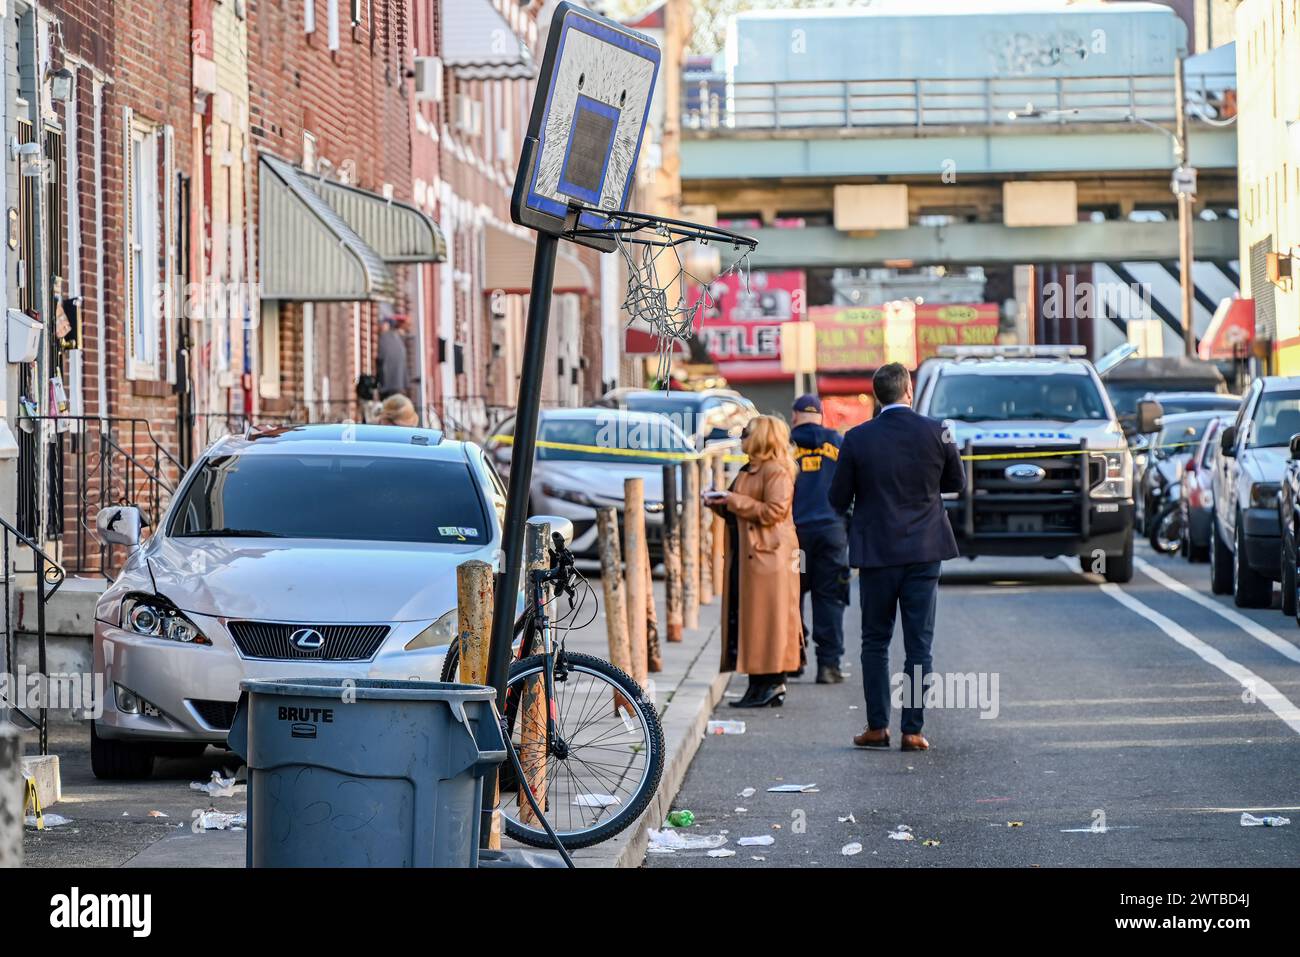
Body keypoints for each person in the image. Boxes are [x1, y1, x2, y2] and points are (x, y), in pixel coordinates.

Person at [828, 363, 965, 751]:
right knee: (919, 643)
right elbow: (956, 483)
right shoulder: (937, 430)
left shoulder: (856, 438)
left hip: (877, 553)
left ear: (877, 396)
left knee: (874, 641)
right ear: (908, 391)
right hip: (925, 551)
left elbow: (837, 499)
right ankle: (913, 730)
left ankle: (876, 726)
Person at [707, 415, 803, 709]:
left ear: (761, 438)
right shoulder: (751, 469)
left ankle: (771, 683)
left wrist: (731, 501)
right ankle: (759, 684)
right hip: (750, 556)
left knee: (768, 622)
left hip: (769, 558)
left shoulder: (776, 471)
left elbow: (774, 511)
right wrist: (720, 503)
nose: (742, 438)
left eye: (747, 433)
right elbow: (742, 508)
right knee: (751, 620)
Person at [790, 394, 849, 685]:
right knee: (830, 597)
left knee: (793, 595)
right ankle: (829, 665)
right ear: (821, 416)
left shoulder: (785, 444)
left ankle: (793, 658)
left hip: (795, 538)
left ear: (794, 415)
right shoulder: (837, 442)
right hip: (831, 533)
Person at [377, 315, 410, 399]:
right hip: (398, 386)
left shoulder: (386, 339)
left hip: (388, 386)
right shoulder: (398, 340)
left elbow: (381, 359)